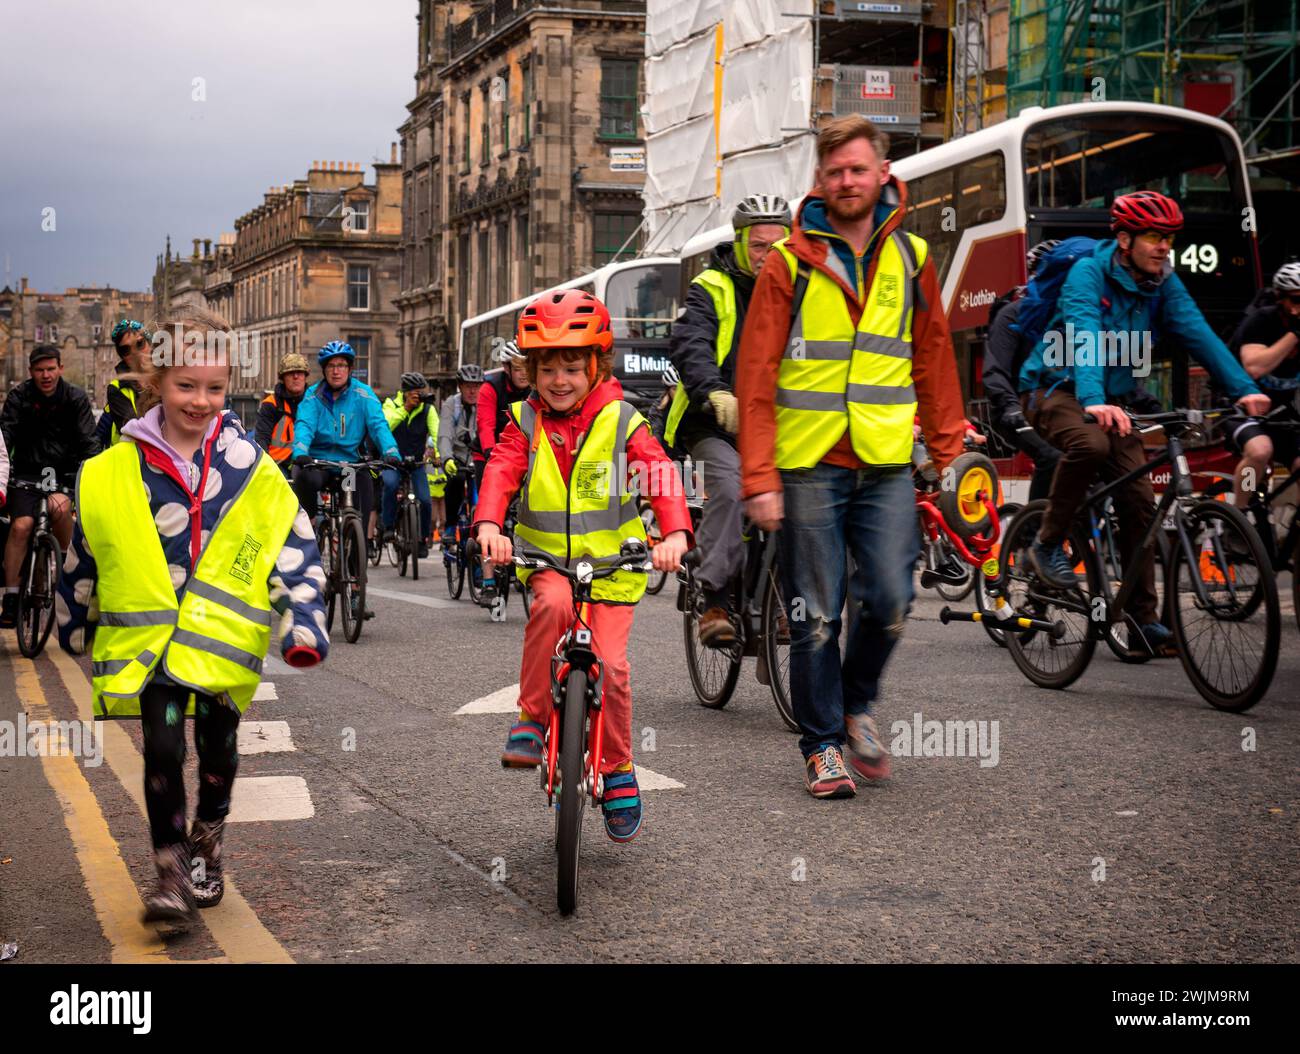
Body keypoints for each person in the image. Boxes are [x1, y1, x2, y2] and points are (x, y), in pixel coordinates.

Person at [56, 310, 327, 929]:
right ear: (158, 379)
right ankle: (171, 872)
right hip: (151, 651)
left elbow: (292, 543)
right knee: (161, 747)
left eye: (213, 387)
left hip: (222, 648)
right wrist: (72, 610)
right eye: (186, 385)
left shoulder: (250, 466)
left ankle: (209, 832)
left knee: (217, 751)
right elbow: (93, 543)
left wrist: (305, 619)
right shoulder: (116, 468)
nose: (200, 401)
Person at [737, 115, 968, 799]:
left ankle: (857, 701)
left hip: (888, 459)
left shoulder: (913, 257)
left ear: (881, 174)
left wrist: (947, 440)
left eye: (857, 169)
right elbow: (756, 375)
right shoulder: (787, 263)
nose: (846, 181)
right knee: (816, 611)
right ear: (820, 178)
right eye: (834, 171)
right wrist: (758, 476)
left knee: (893, 599)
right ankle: (822, 744)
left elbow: (931, 351)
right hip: (809, 464)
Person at [474, 289, 692, 842]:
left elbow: (661, 474)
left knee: (613, 670)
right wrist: (490, 527)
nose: (560, 380)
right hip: (547, 562)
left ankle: (618, 768)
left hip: (614, 570)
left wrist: (674, 532)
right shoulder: (524, 421)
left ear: (596, 367)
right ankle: (530, 718)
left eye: (572, 367)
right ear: (530, 372)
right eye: (547, 369)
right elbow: (500, 471)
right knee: (550, 604)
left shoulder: (621, 420)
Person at [1017, 190, 1269, 649]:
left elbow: (1200, 334)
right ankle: (1046, 545)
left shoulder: (1163, 282)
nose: (1163, 246)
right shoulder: (1087, 274)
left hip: (1110, 402)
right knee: (1089, 445)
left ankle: (1141, 622)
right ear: (1125, 238)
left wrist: (1245, 388)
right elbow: (1084, 335)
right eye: (1154, 236)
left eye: (1169, 237)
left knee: (1139, 505)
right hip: (1054, 389)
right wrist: (1093, 399)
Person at [668, 194, 791, 647]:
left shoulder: (801, 291)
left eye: (779, 246)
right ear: (740, 244)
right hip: (712, 422)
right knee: (732, 484)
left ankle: (782, 600)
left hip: (778, 426)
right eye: (759, 246)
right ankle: (715, 597)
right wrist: (715, 392)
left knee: (804, 497)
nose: (768, 256)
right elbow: (690, 345)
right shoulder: (711, 288)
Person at [292, 341, 400, 619]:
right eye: (331, 366)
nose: (336, 371)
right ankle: (311, 526)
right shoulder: (313, 397)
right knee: (305, 478)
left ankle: (355, 593)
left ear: (350, 369)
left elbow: (378, 425)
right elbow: (304, 425)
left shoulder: (364, 395)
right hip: (320, 462)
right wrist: (301, 451)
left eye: (341, 366)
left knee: (358, 526)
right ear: (324, 370)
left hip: (351, 464)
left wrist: (391, 451)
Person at [0, 346, 100, 628]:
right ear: (31, 372)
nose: (46, 375)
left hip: (62, 476)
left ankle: (64, 564)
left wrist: (92, 475)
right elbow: (4, 437)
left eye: (51, 369)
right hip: (25, 476)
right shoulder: (19, 397)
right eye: (40, 370)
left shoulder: (76, 398)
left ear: (60, 368)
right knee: (21, 526)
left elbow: (88, 442)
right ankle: (10, 598)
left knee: (60, 509)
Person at [980, 240, 1064, 501]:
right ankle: (1034, 534)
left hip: (1057, 409)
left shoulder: (1070, 318)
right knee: (1051, 457)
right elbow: (995, 371)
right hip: (1015, 410)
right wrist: (1010, 406)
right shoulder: (1012, 315)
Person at [1223, 261, 1300, 506]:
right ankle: (1240, 513)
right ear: (1280, 298)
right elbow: (1254, 367)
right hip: (1240, 407)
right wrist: (1295, 335)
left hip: (1281, 412)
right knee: (1260, 451)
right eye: (1296, 300)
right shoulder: (1262, 320)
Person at [380, 371, 438, 558]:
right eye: (415, 392)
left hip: (417, 461)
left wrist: (436, 452)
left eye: (421, 391)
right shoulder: (391, 404)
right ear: (405, 392)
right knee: (389, 485)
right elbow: (385, 426)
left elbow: (436, 433)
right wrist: (405, 408)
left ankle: (422, 539)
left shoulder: (428, 409)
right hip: (393, 461)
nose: (418, 396)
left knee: (426, 500)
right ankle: (388, 526)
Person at [438, 362, 484, 547]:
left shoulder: (486, 403)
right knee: (455, 482)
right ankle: (450, 526)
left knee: (485, 487)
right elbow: (444, 434)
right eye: (468, 386)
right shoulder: (451, 404)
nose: (472, 391)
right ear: (460, 386)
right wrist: (447, 458)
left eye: (476, 386)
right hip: (457, 457)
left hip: (479, 456)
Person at [255, 352, 310, 474]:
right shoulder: (271, 404)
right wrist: (267, 468)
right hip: (277, 465)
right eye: (290, 373)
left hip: (308, 463)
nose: (295, 376)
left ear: (305, 376)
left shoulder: (315, 403)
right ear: (283, 378)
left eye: (300, 372)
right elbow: (262, 439)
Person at [101, 318, 150, 447]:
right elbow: (135, 432)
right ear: (122, 356)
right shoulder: (116, 389)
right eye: (125, 350)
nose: (135, 353)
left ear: (150, 343)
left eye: (140, 344)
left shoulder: (169, 376)